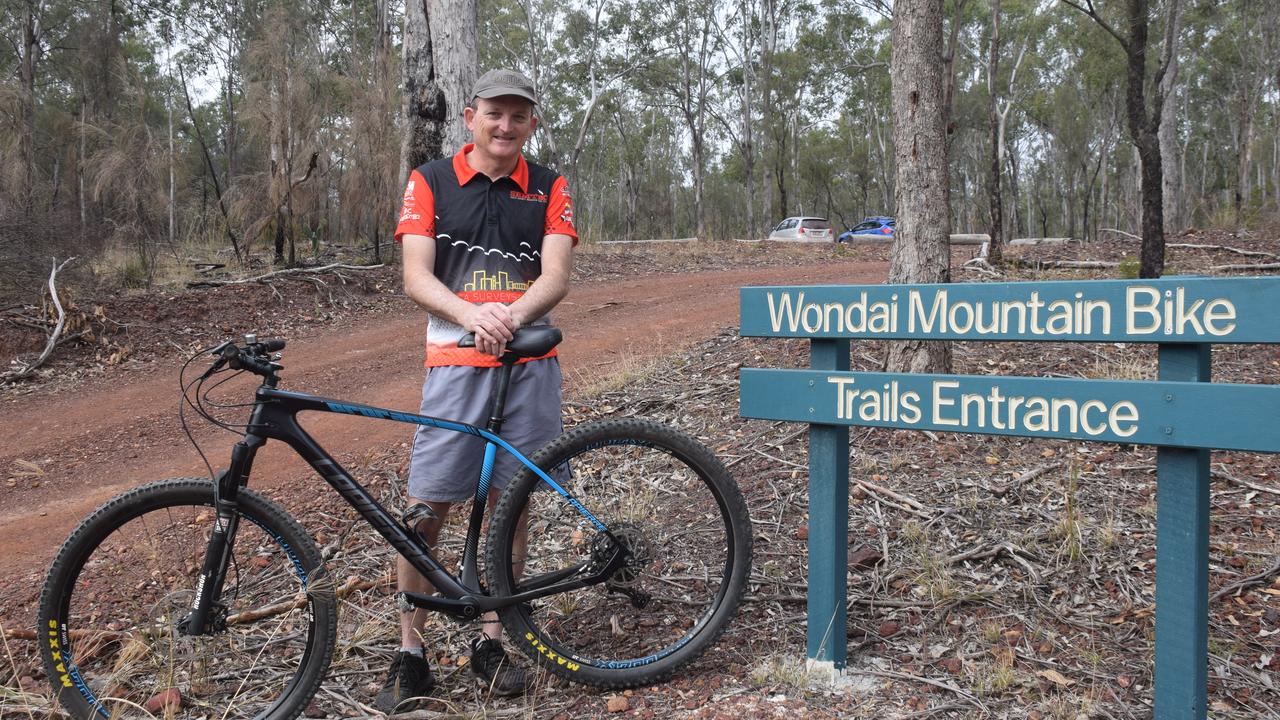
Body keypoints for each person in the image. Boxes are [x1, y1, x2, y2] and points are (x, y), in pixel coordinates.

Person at [378, 68, 577, 711]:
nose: (505, 126)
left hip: (529, 367)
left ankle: (494, 635)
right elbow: (415, 275)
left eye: (518, 116)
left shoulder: (549, 185)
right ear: (470, 116)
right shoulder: (430, 180)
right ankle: (412, 651)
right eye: (495, 113)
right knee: (426, 510)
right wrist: (472, 316)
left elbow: (555, 276)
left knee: (510, 507)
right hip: (454, 366)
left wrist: (510, 318)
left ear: (532, 124)